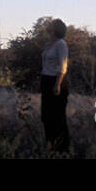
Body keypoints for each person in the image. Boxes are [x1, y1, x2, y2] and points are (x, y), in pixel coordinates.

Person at [40, 18, 70, 153]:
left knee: (57, 116)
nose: (49, 24)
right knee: (46, 115)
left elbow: (63, 66)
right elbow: (46, 64)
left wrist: (57, 84)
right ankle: (51, 145)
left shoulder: (61, 44)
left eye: (51, 24)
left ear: (56, 28)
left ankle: (63, 149)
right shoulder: (49, 44)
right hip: (46, 80)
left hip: (57, 81)